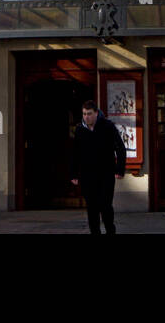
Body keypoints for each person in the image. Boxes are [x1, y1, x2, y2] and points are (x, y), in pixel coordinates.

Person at [69, 100, 127, 234]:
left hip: (105, 173)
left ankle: (110, 231)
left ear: (96, 113)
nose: (86, 117)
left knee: (106, 206)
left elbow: (120, 148)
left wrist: (120, 169)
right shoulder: (80, 130)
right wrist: (73, 173)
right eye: (84, 114)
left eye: (89, 114)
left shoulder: (108, 126)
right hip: (87, 175)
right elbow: (75, 153)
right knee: (92, 208)